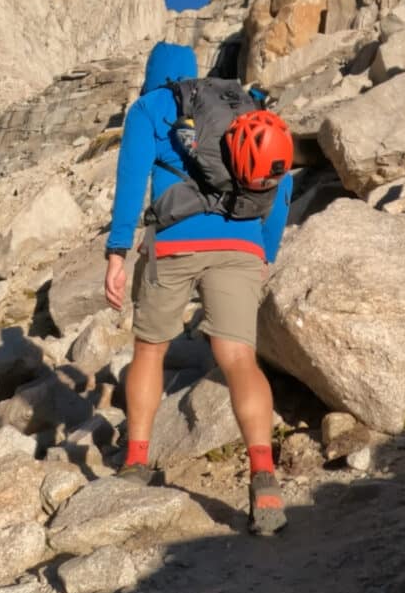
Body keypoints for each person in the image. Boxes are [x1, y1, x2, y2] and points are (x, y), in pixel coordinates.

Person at [104, 41, 294, 535]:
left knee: (150, 350)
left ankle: (137, 463)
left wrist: (117, 252)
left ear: (152, 75)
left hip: (175, 245)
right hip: (243, 245)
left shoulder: (150, 108)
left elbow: (131, 182)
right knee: (238, 360)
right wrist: (264, 251)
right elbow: (283, 184)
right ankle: (264, 478)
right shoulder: (241, 105)